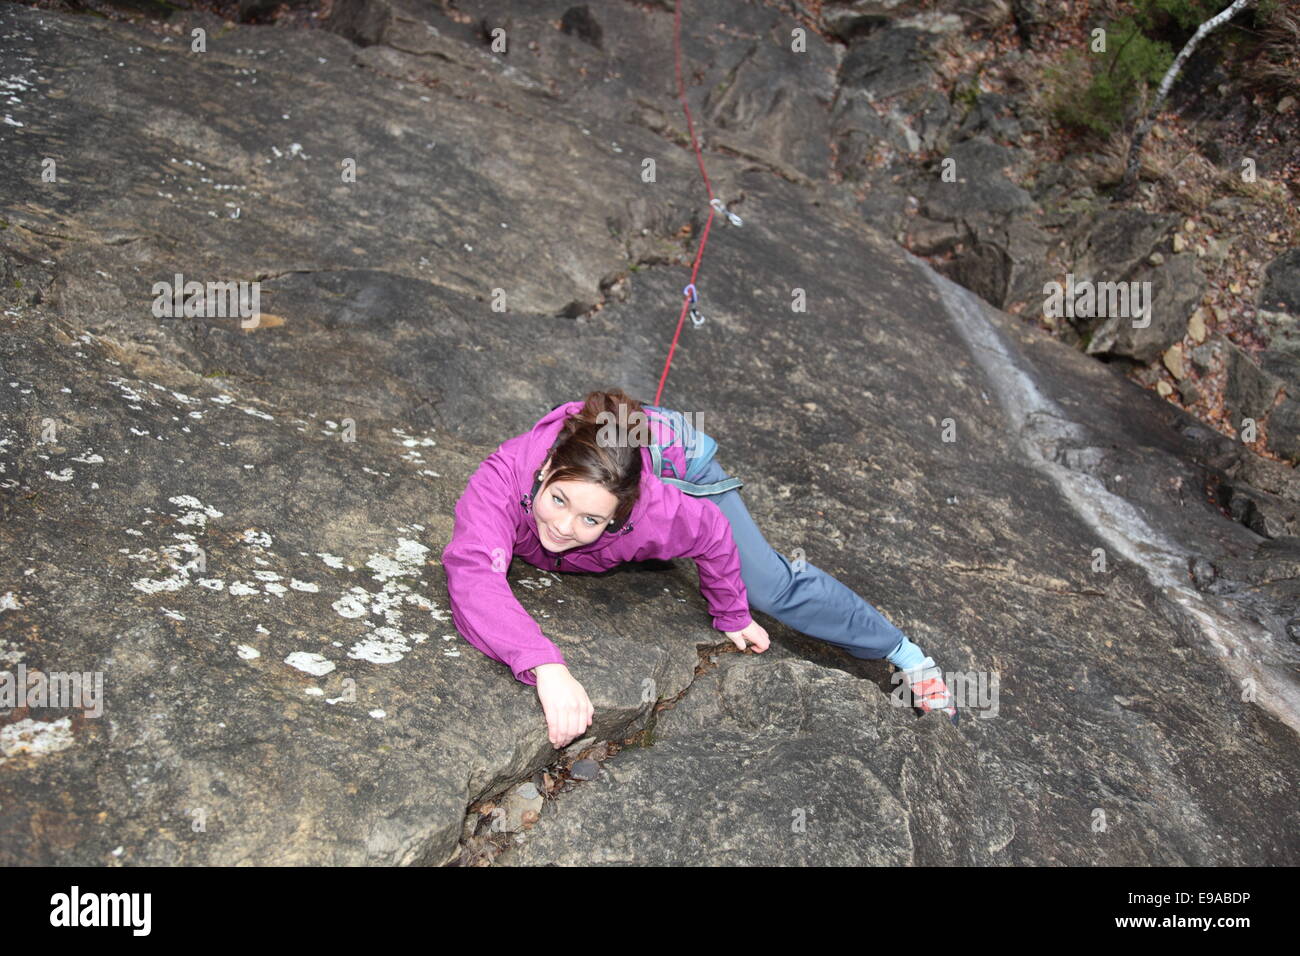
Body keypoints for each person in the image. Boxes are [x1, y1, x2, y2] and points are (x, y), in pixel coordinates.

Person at [441, 388, 959, 749]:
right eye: (557, 500)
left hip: (676, 459)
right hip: (613, 445)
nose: (563, 526)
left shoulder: (656, 513)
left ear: (621, 513)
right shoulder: (503, 479)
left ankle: (903, 652)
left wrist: (732, 612)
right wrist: (545, 667)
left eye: (591, 519)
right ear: (549, 467)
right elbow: (474, 574)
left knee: (770, 587)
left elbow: (711, 533)